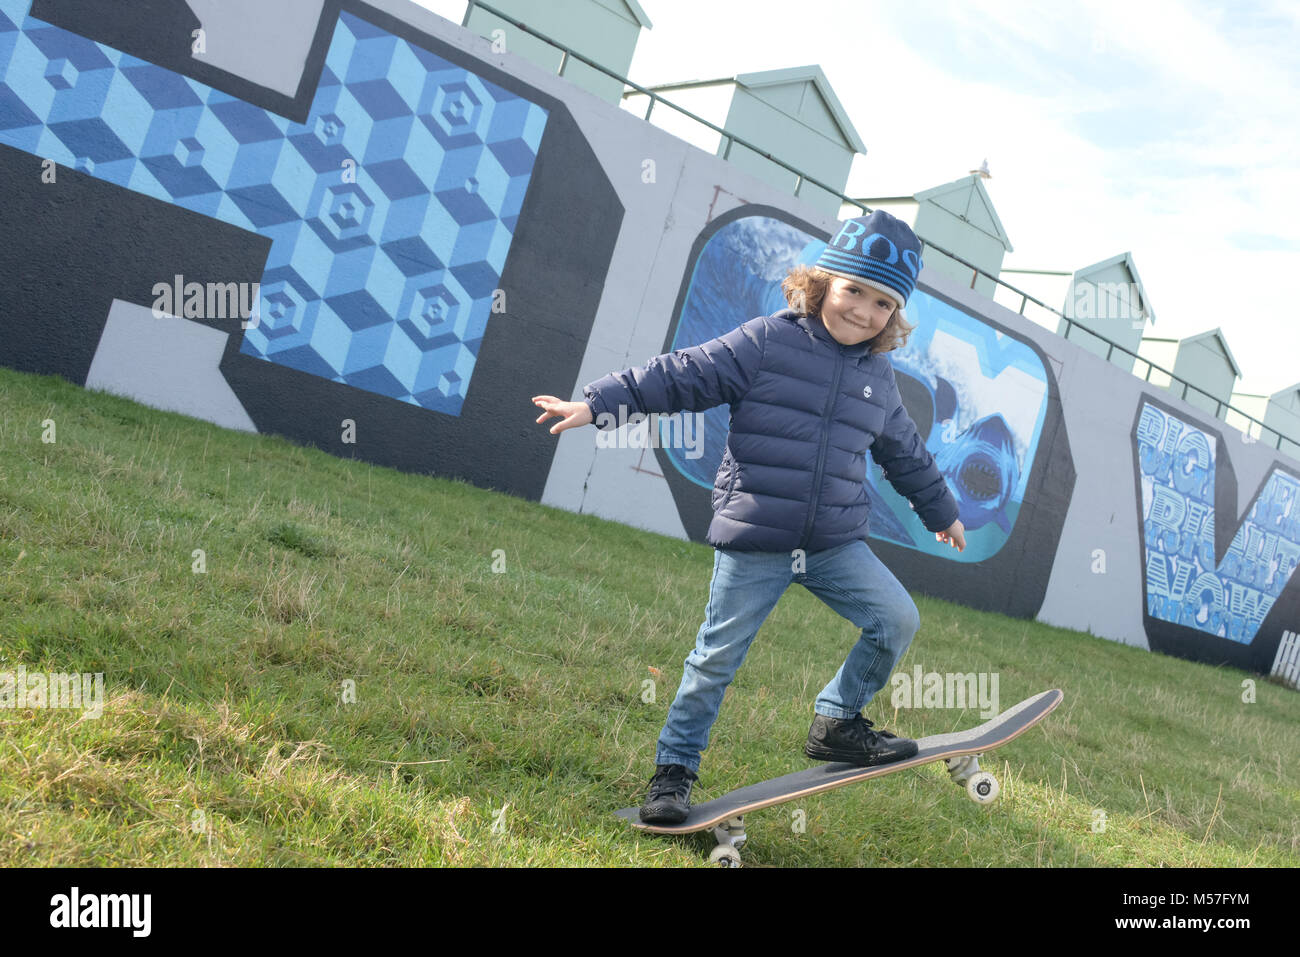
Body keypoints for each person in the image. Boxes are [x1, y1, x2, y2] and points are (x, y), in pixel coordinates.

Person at [532, 209, 965, 825]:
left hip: (834, 543)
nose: (864, 313)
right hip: (757, 538)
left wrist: (941, 512)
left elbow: (906, 454)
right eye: (854, 292)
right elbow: (681, 376)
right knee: (714, 663)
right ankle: (672, 776)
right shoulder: (768, 341)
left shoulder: (880, 379)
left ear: (894, 318)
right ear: (822, 285)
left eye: (882, 305)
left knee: (896, 619)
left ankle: (838, 721)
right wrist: (600, 403)